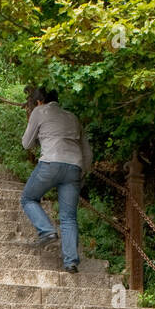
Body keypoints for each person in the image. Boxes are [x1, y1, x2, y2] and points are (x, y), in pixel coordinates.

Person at [21, 87, 92, 273]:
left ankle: (46, 231)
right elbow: (87, 151)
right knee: (68, 216)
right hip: (74, 168)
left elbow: (26, 143)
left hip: (50, 164)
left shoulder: (39, 111)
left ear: (39, 101)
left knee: (28, 198)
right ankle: (71, 262)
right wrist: (82, 172)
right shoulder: (72, 117)